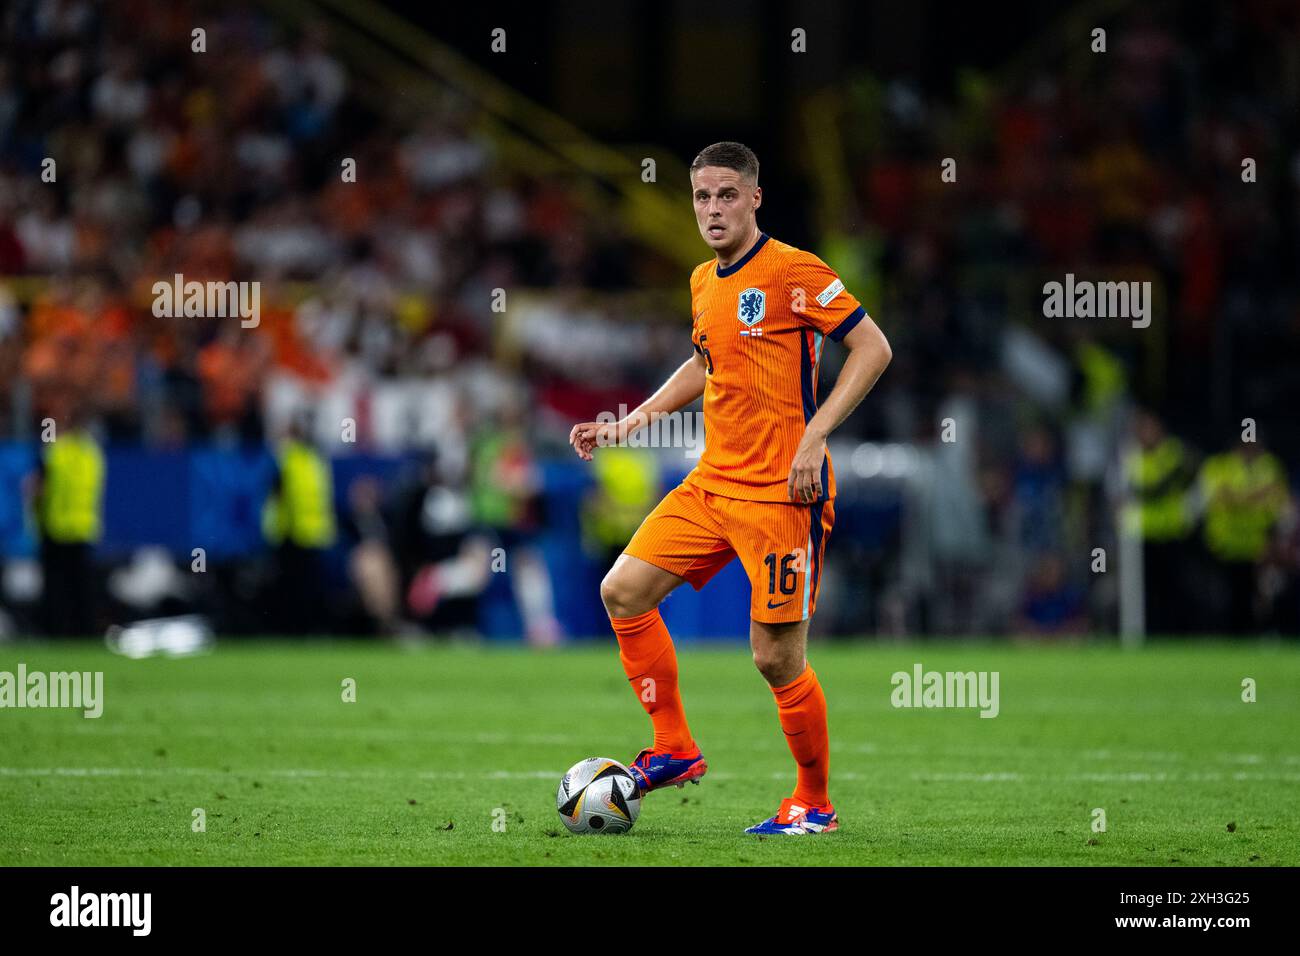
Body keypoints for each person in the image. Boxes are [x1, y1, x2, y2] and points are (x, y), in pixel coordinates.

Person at [569, 142, 892, 835]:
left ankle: (814, 804)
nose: (712, 210)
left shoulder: (792, 270)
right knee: (622, 590)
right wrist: (633, 421)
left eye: (725, 196)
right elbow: (704, 362)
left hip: (783, 493)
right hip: (715, 482)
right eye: (700, 197)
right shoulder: (701, 280)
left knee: (775, 658)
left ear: (754, 197)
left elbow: (873, 348)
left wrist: (816, 434)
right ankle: (674, 747)